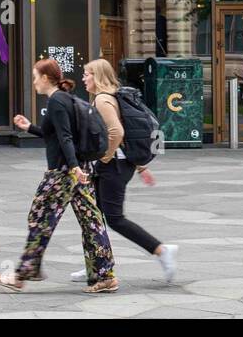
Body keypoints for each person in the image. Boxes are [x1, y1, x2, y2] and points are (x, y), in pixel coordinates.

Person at [0, 58, 116, 293]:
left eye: (35, 77)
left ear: (46, 78)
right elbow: (55, 136)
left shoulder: (57, 101)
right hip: (80, 170)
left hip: (63, 173)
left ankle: (24, 273)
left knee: (39, 218)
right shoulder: (64, 98)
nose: (34, 82)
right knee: (92, 222)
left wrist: (72, 167)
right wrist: (29, 127)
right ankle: (105, 276)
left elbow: (65, 138)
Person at [68, 59, 178, 284]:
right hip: (119, 164)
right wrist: (140, 166)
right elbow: (127, 133)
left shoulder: (102, 99)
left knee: (114, 218)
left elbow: (117, 132)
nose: (83, 78)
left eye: (87, 74)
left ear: (97, 76)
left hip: (113, 167)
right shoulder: (112, 95)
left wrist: (104, 158)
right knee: (94, 218)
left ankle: (161, 250)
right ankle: (96, 265)